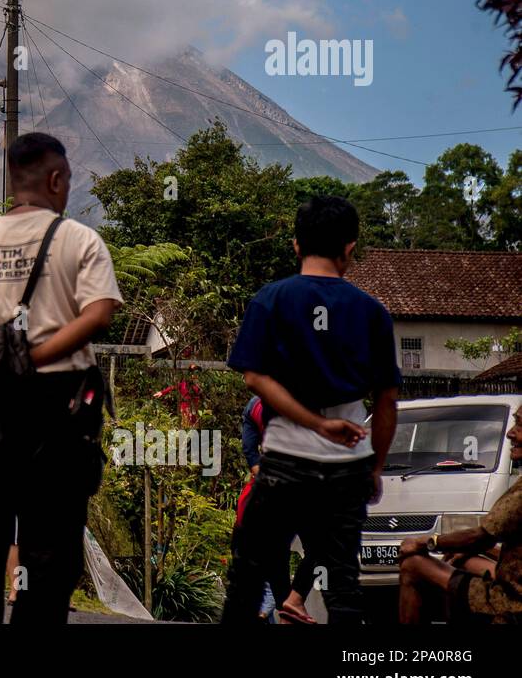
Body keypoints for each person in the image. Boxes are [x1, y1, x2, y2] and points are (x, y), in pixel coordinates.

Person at [0, 132, 123, 624]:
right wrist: (40, 355)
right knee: (49, 557)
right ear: (55, 179)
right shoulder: (79, 240)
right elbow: (101, 311)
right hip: (59, 414)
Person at [221, 195, 401, 625]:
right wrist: (373, 468)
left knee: (246, 576)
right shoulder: (372, 312)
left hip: (284, 463)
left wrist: (313, 423)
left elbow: (254, 378)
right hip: (348, 466)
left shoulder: (271, 299)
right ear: (349, 249)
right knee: (343, 583)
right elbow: (387, 399)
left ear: (296, 245)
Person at [396, 404, 522, 624]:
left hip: (511, 599)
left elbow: (480, 537)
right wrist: (465, 549)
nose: (511, 433)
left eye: (519, 424)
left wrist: (427, 542)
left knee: (412, 565)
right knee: (461, 561)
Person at [237, 394, 317, 623]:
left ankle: (287, 608)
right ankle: (291, 605)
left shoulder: (255, 406)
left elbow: (250, 453)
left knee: (276, 555)